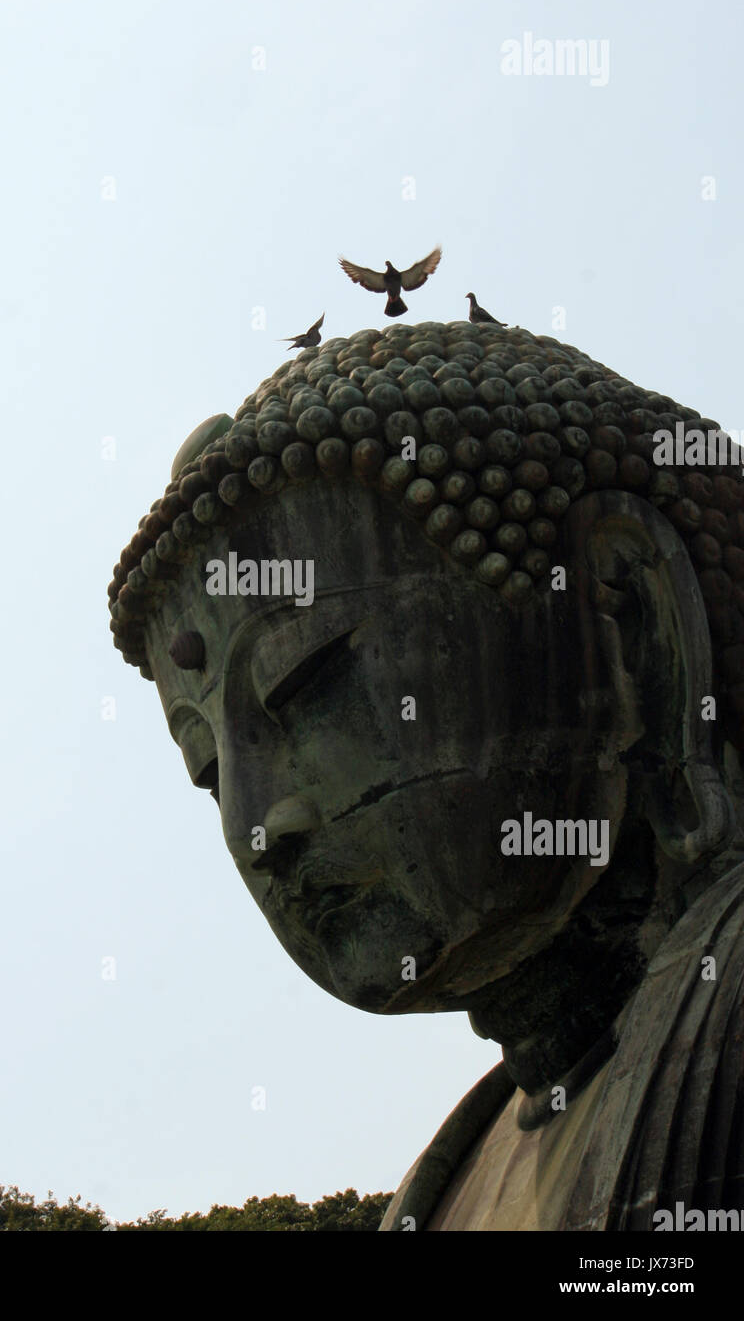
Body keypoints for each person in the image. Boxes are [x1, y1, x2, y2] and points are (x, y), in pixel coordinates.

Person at [110, 320, 744, 1230]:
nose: (260, 821)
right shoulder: (441, 1183)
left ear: (630, 622)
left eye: (309, 678)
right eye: (208, 767)